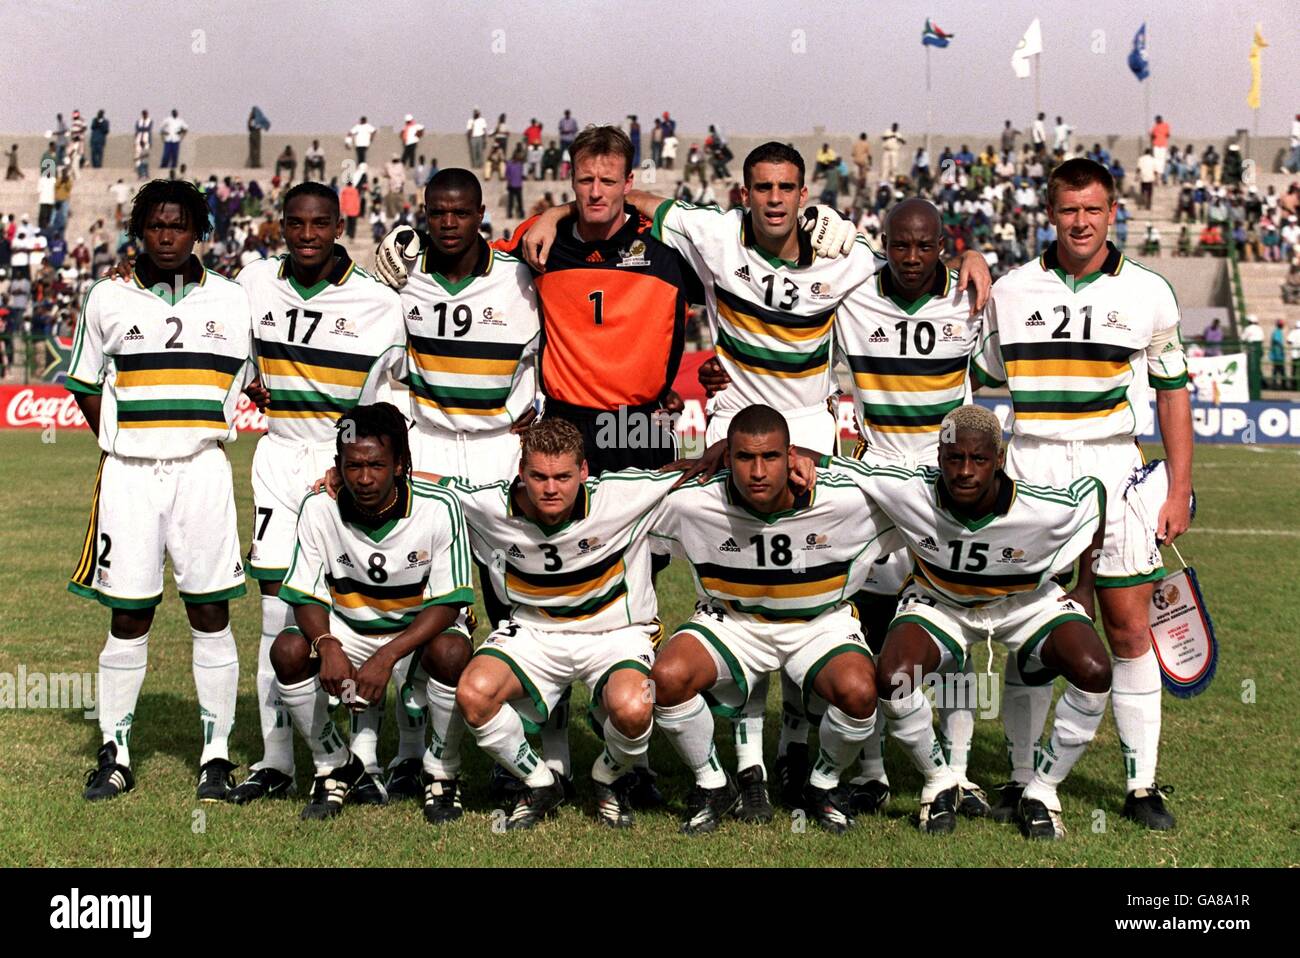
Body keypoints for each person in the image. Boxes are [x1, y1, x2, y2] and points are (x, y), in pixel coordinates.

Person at [972, 158, 1193, 831]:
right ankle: (1017, 778)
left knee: (1128, 628)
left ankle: (1141, 785)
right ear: (1050, 211)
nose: (1081, 222)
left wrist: (1180, 486)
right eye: (1069, 209)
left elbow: (1173, 389)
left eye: (1093, 209)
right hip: (1032, 471)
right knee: (1030, 634)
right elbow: (974, 380)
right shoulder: (1011, 291)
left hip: (1113, 469)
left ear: (1113, 210)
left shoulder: (1150, 292)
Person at [822, 404, 1112, 839]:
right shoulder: (910, 489)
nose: (965, 471)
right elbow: (827, 464)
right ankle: (939, 782)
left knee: (1094, 670)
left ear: (1000, 459)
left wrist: (1086, 588)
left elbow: (1095, 497)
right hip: (941, 603)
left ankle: (1041, 791)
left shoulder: (1038, 506)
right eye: (954, 458)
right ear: (938, 458)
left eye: (978, 459)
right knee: (893, 678)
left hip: (1024, 603)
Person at [218, 182, 408, 805]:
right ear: (280, 226)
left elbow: (392, 397)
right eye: (295, 224)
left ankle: (363, 759)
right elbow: (217, 332)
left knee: (358, 612)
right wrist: (249, 384)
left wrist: (352, 459)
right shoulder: (251, 282)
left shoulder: (378, 302)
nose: (306, 236)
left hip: (345, 468)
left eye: (319, 224)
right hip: (278, 458)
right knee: (277, 615)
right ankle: (278, 761)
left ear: (337, 226)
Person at [67, 179, 253, 803]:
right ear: (137, 231)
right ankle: (115, 753)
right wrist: (124, 440)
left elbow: (260, 379)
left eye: (178, 225)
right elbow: (85, 384)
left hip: (202, 469)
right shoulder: (106, 296)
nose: (166, 236)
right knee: (130, 613)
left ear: (199, 230)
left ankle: (216, 756)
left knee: (210, 609)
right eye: (154, 226)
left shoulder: (234, 301)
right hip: (130, 475)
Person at [648, 405, 896, 833]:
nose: (757, 471)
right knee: (666, 679)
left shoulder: (846, 496)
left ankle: (822, 784)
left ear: (793, 455)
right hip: (734, 623)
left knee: (859, 693)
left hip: (818, 624)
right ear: (727, 459)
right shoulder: (693, 500)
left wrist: (826, 461)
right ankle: (713, 784)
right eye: (744, 457)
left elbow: (916, 489)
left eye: (771, 457)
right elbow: (611, 500)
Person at [438, 418, 681, 828]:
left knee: (635, 708)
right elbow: (427, 484)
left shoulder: (622, 495)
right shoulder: (490, 505)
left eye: (564, 476)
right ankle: (539, 781)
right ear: (521, 473)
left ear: (584, 472)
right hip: (534, 634)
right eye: (539, 476)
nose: (551, 488)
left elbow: (685, 472)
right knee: (474, 694)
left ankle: (606, 776)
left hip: (614, 635)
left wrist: (720, 447)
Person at [272, 403, 473, 820]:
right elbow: (304, 593)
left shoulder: (439, 506)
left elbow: (450, 601)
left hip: (414, 633)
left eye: (376, 465)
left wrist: (385, 657)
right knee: (288, 650)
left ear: (400, 464)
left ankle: (441, 773)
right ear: (337, 466)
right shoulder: (317, 507)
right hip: (349, 628)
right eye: (353, 466)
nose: (364, 478)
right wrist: (327, 644)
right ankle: (335, 766)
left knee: (453, 653)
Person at [397, 167, 540, 631]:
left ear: (481, 213)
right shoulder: (402, 277)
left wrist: (541, 411)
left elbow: (555, 352)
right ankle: (423, 697)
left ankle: (515, 682)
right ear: (424, 215)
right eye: (437, 213)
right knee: (417, 573)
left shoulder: (521, 279)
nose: (449, 223)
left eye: (461, 212)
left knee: (507, 578)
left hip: (498, 445)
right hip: (429, 443)